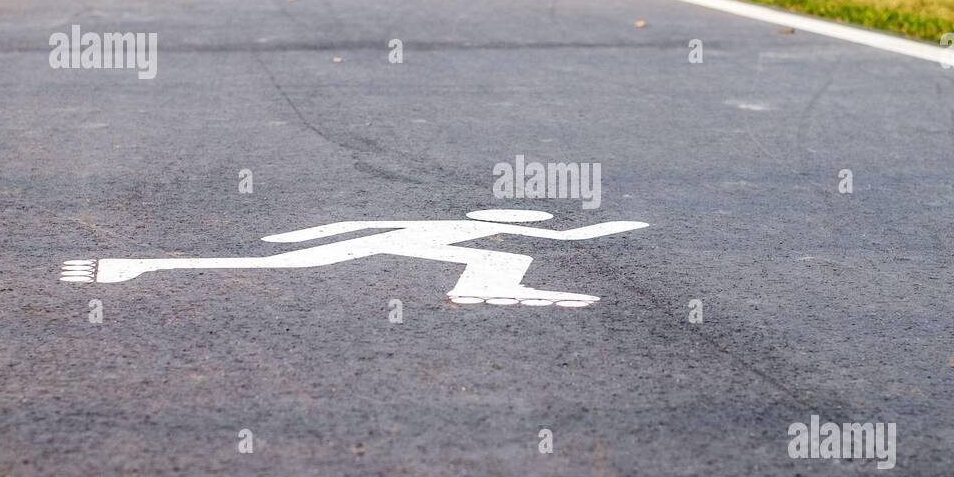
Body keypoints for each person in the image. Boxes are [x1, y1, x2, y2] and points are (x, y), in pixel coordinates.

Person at [61, 209, 647, 307]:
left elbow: (563, 241)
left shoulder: (476, 232)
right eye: (520, 221)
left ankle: (135, 266)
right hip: (389, 246)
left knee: (506, 264)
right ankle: (134, 265)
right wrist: (300, 237)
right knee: (285, 269)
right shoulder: (458, 225)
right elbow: (367, 226)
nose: (520, 225)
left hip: (402, 245)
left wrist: (606, 226)